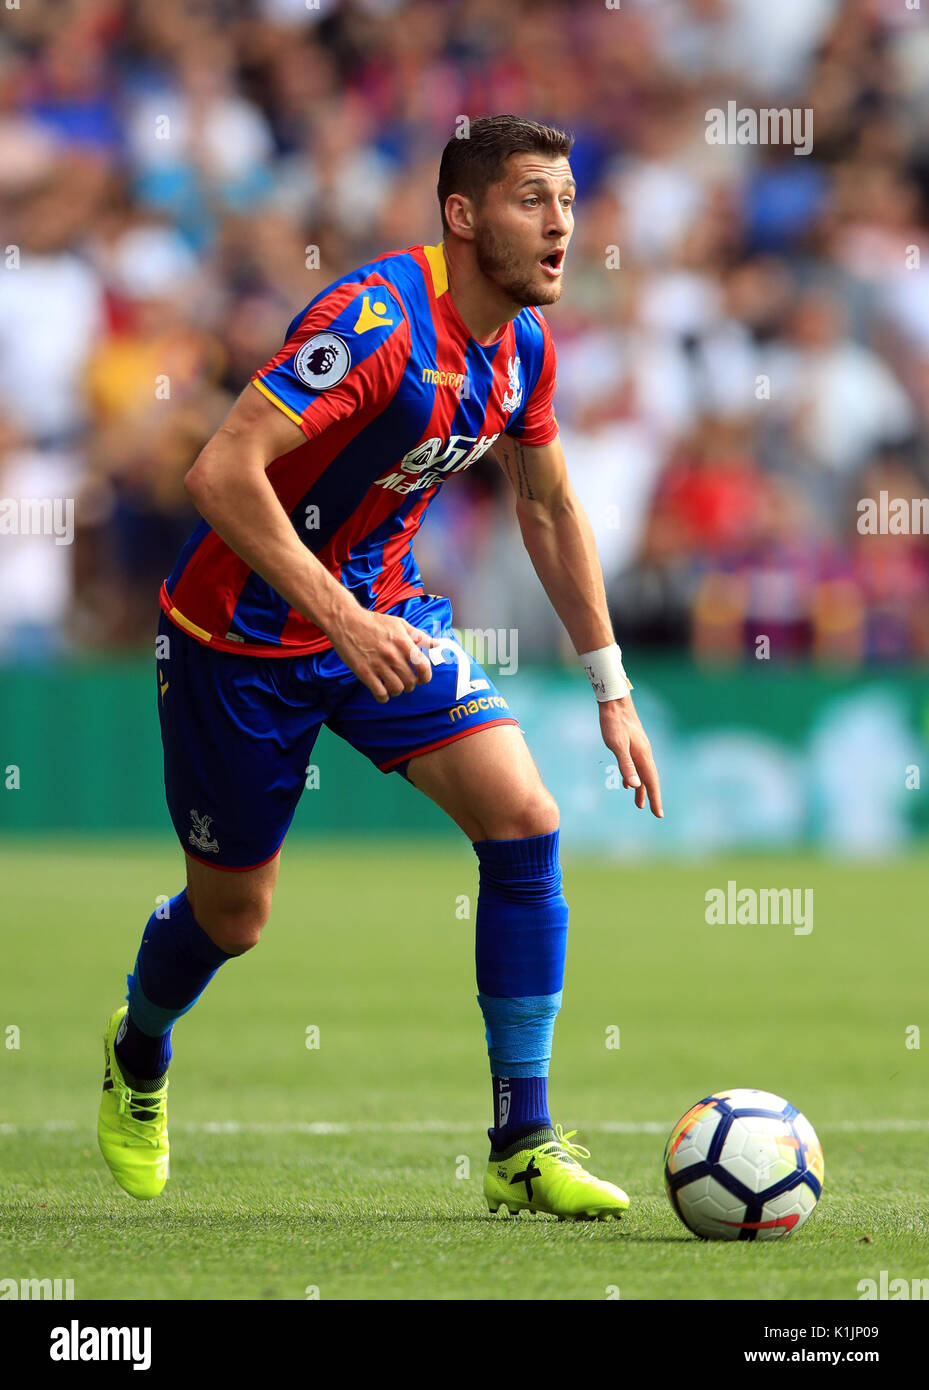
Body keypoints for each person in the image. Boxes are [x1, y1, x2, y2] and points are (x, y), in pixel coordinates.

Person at [97, 114, 663, 1220]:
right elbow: (218, 473)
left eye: (566, 200)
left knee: (523, 818)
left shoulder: (524, 350)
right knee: (233, 919)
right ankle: (138, 1047)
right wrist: (337, 616)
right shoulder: (373, 323)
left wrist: (610, 685)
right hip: (241, 642)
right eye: (529, 200)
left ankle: (521, 1139)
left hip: (381, 618)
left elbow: (545, 504)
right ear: (461, 215)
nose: (559, 226)